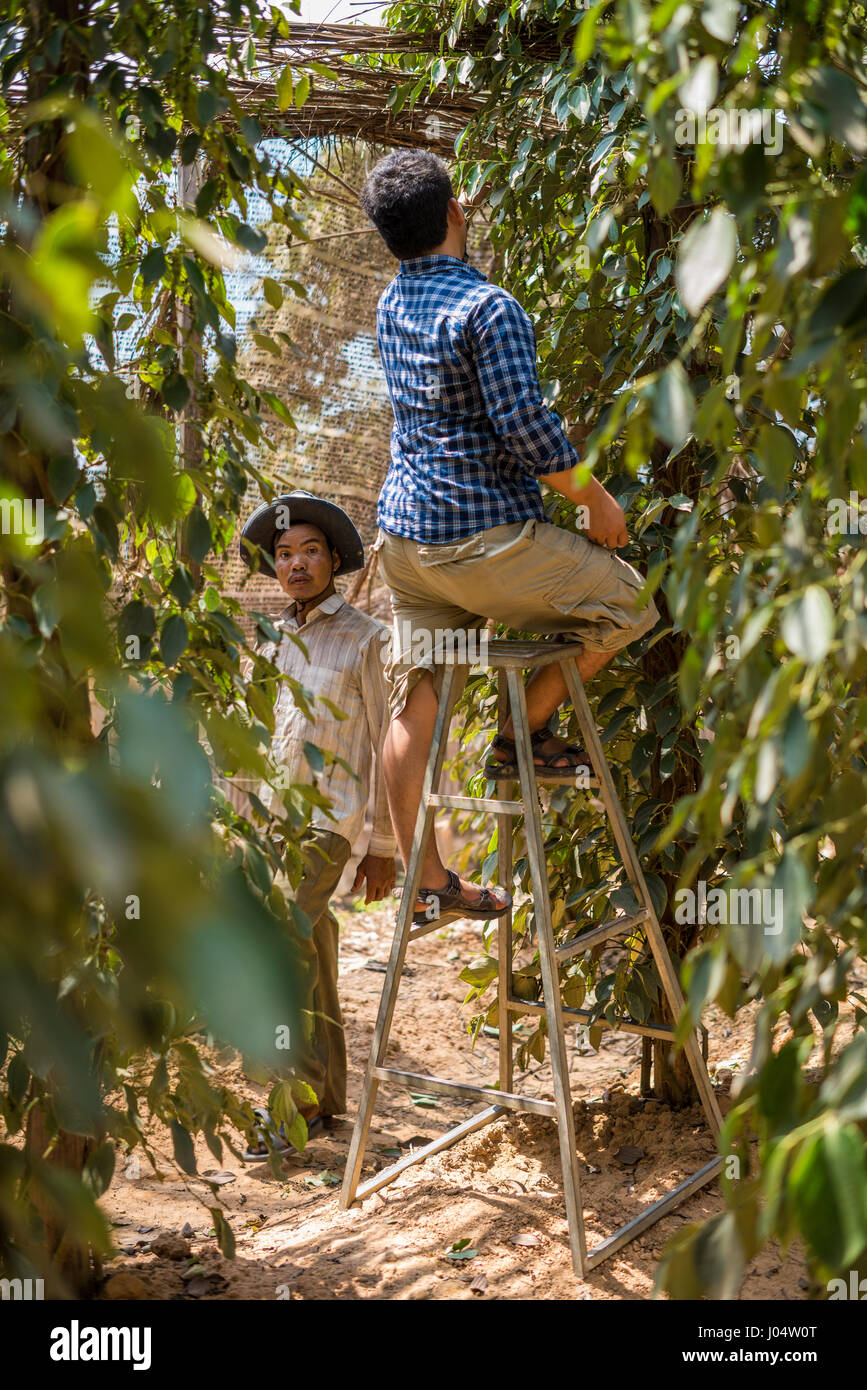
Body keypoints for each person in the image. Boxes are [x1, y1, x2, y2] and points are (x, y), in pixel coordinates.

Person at [358, 149, 659, 928]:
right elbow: (526, 429)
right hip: (482, 545)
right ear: (456, 211)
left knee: (414, 696)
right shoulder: (488, 307)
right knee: (631, 603)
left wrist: (446, 216)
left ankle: (427, 882)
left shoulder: (391, 303)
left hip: (406, 546)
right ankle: (517, 731)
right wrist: (596, 504)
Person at [237, 490, 396, 1158]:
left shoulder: (368, 639)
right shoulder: (271, 637)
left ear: (334, 558)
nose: (296, 564)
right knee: (312, 952)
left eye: (309, 551)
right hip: (269, 822)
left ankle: (290, 1108)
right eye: (283, 554)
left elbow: (393, 739)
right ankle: (326, 1096)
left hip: (327, 823)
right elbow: (262, 735)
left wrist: (383, 846)